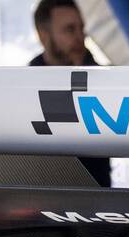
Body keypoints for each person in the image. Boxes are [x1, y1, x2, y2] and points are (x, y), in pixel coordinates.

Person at [30, 0, 111, 187]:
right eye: (69, 30)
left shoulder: (104, 81)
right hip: (43, 197)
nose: (79, 37)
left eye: (81, 28)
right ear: (44, 36)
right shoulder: (25, 85)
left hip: (96, 197)